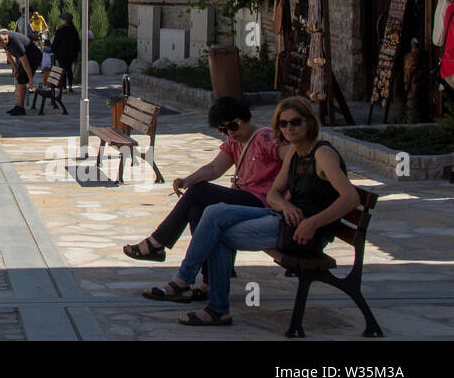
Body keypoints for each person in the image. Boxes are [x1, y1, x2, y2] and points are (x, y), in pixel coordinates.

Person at [143, 97, 359, 326]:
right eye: (283, 124)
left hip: (304, 233)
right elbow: (274, 194)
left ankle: (209, 302)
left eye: (296, 122)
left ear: (309, 122)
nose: (289, 128)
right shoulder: (296, 154)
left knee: (217, 232)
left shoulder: (322, 154)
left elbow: (351, 198)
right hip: (283, 218)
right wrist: (285, 205)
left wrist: (312, 223)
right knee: (214, 213)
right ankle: (188, 284)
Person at [123, 96, 283, 298]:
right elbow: (214, 168)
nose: (229, 133)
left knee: (199, 191)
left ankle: (157, 243)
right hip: (244, 199)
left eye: (233, 126)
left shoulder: (265, 138)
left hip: (262, 202)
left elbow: (291, 158)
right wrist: (188, 180)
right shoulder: (234, 143)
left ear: (244, 118)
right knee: (196, 210)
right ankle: (209, 282)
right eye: (223, 130)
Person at [0, 29, 41, 115]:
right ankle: (18, 105)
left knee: (22, 80)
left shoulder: (15, 43)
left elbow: (25, 62)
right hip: (24, 58)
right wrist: (15, 68)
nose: (4, 47)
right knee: (20, 78)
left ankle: (21, 108)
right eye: (1, 46)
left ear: (6, 39)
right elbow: (8, 54)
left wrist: (30, 79)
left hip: (33, 57)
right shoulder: (3, 39)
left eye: (4, 45)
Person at [51, 13, 80, 91]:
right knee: (69, 69)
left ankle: (64, 88)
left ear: (65, 20)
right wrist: (77, 52)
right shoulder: (74, 30)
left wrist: (53, 49)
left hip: (61, 53)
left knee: (62, 69)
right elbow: (77, 42)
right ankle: (70, 86)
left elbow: (56, 42)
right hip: (71, 53)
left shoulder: (60, 30)